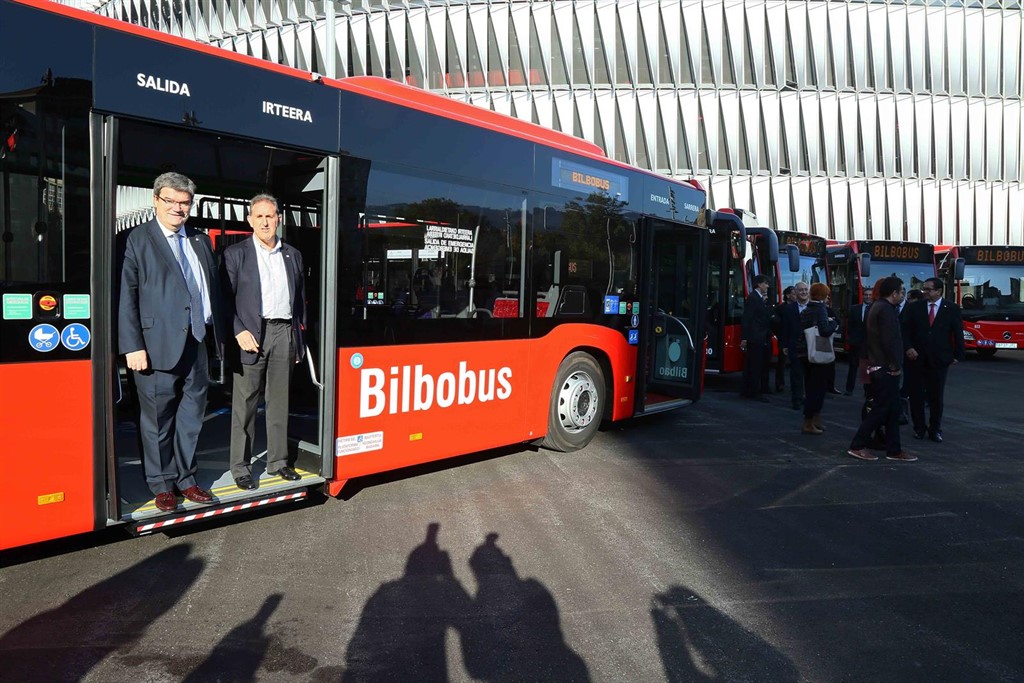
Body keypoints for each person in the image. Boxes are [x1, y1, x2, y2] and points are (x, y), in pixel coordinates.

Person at [119, 172, 225, 511]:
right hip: (153, 346)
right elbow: (126, 295)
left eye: (184, 202)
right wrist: (131, 345)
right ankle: (162, 483)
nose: (178, 208)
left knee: (191, 416)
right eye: (171, 201)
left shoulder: (199, 240)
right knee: (157, 419)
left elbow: (213, 290)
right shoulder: (135, 239)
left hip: (197, 341)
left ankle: (186, 478)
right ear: (155, 200)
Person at [223, 194, 307, 490]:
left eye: (270, 216)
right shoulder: (236, 255)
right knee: (244, 405)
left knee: (279, 402)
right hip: (249, 335)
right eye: (259, 217)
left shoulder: (293, 255)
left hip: (284, 333)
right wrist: (237, 331)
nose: (265, 222)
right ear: (250, 221)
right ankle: (240, 467)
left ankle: (278, 462)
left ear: (279, 219)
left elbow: (299, 303)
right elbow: (224, 300)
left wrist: (299, 338)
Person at [848, 276, 915, 461]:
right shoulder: (885, 310)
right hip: (884, 367)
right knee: (881, 408)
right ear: (893, 293)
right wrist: (895, 365)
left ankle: (894, 450)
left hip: (877, 365)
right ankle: (858, 444)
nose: (903, 295)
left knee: (892, 410)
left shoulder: (876, 306)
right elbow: (889, 341)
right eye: (902, 291)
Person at [903, 277, 965, 443]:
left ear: (938, 291)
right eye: (924, 289)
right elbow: (905, 330)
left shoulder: (951, 308)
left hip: (939, 359)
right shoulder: (915, 307)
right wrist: (908, 347)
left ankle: (935, 429)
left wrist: (958, 354)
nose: (925, 292)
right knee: (916, 396)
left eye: (929, 289)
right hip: (916, 358)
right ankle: (919, 428)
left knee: (936, 397)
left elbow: (957, 331)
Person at [797, 283, 838, 435]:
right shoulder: (821, 309)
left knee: (810, 387)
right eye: (827, 294)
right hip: (817, 353)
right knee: (818, 389)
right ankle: (810, 422)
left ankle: (813, 420)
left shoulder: (807, 309)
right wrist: (833, 323)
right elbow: (825, 330)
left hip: (804, 353)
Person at [740, 274, 772, 402]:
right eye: (766, 283)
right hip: (755, 337)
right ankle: (753, 391)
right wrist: (745, 338)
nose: (767, 286)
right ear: (759, 284)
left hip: (759, 336)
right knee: (754, 365)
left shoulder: (759, 298)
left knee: (755, 365)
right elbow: (747, 318)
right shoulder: (753, 298)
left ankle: (749, 390)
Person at [779, 281, 810, 410]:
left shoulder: (814, 307)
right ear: (795, 293)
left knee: (810, 376)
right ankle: (796, 400)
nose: (803, 292)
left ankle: (808, 400)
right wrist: (784, 345)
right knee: (796, 375)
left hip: (811, 347)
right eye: (801, 290)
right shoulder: (788, 309)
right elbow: (784, 328)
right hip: (794, 346)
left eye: (805, 290)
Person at [844, 287, 872, 395]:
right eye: (866, 295)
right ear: (863, 296)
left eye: (870, 295)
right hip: (855, 343)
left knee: (866, 368)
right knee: (852, 367)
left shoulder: (876, 309)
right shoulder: (854, 308)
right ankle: (849, 389)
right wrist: (851, 338)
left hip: (869, 344)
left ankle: (867, 391)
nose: (868, 297)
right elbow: (850, 325)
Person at [773, 286, 795, 392]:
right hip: (784, 338)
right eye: (794, 293)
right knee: (782, 363)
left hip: (796, 338)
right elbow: (775, 323)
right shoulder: (780, 308)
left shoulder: (798, 307)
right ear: (788, 296)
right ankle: (780, 384)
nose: (796, 295)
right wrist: (779, 334)